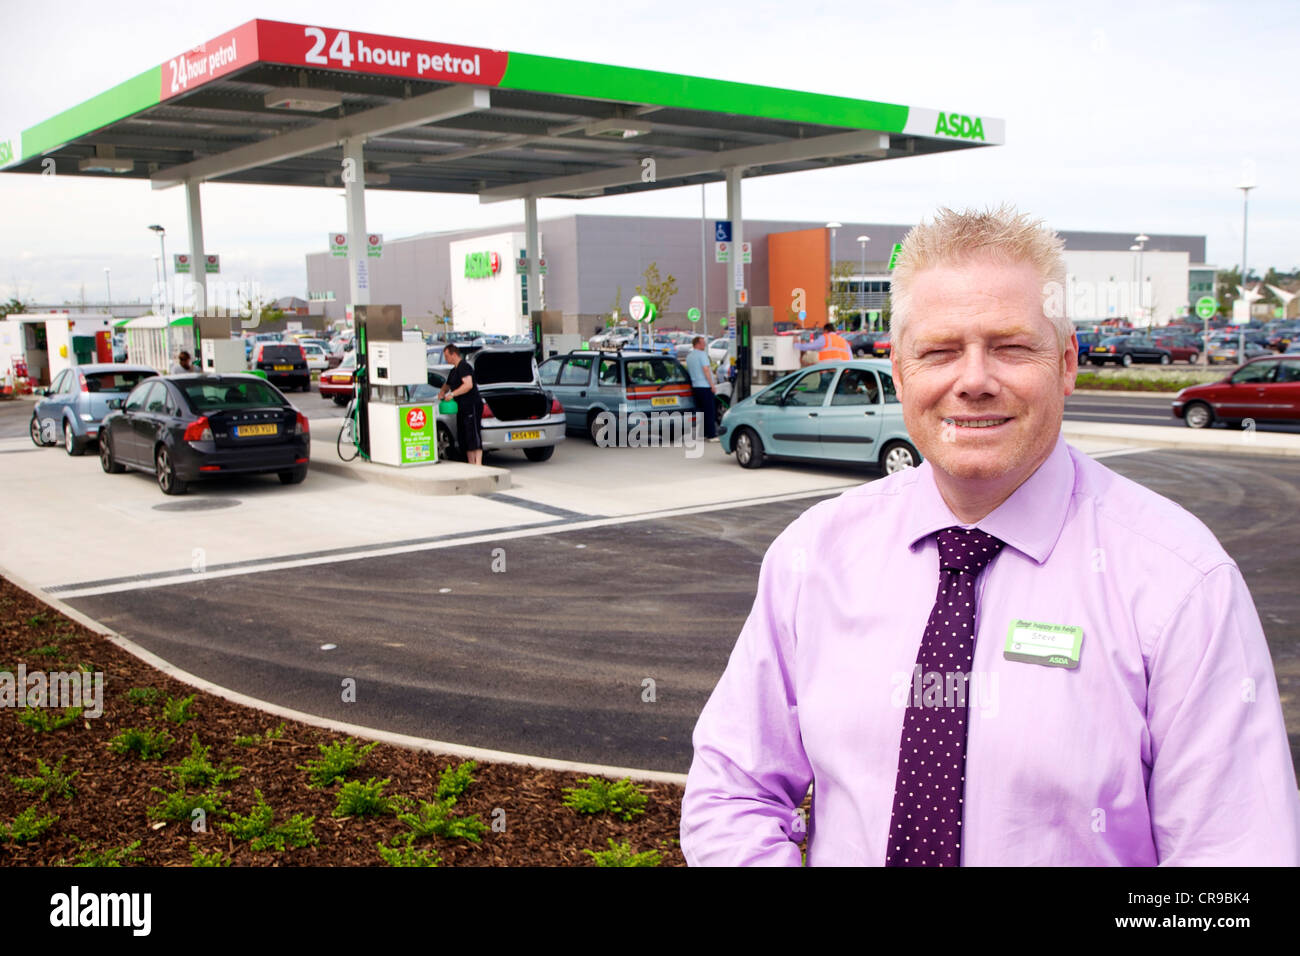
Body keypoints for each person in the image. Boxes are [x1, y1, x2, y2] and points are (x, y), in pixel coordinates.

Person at [680, 204, 1300, 866]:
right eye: (940, 351)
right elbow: (732, 794)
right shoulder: (812, 558)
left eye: (1009, 346)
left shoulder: (1182, 584)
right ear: (900, 373)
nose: (973, 381)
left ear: (1066, 364)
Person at [437, 343, 482, 465]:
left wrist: (453, 394)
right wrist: (442, 392)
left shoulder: (464, 367)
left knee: (473, 434)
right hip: (461, 407)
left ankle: (478, 463)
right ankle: (470, 462)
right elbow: (447, 385)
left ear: (454, 354)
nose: (446, 359)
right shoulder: (454, 371)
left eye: (447, 356)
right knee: (464, 436)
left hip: (471, 405)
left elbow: (468, 385)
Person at [685, 336, 718, 442]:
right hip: (705, 386)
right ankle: (711, 435)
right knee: (709, 411)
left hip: (695, 386)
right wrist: (712, 385)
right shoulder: (702, 355)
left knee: (701, 411)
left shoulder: (689, 356)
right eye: (703, 343)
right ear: (697, 344)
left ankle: (702, 433)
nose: (704, 345)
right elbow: (706, 370)